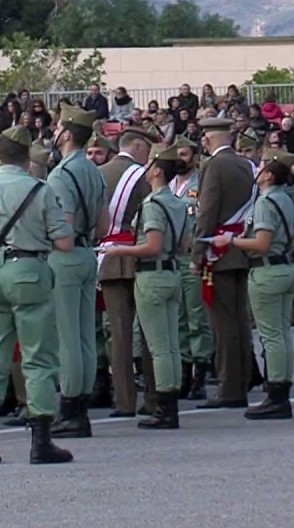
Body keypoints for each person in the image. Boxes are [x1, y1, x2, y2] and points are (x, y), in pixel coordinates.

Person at [0, 126, 75, 466]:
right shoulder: (40, 189)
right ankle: (41, 439)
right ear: (28, 158)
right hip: (28, 270)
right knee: (37, 355)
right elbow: (64, 242)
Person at [104, 143, 189, 429]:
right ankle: (171, 401)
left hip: (152, 275)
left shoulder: (153, 204)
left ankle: (164, 407)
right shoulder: (179, 201)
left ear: (155, 169)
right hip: (173, 271)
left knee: (159, 345)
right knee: (172, 344)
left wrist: (119, 251)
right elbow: (184, 244)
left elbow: (151, 246)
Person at [214, 147, 294, 419]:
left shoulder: (264, 202)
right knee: (282, 334)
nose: (257, 171)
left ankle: (276, 394)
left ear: (269, 175)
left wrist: (231, 241)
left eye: (261, 167)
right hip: (285, 266)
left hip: (267, 270)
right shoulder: (285, 199)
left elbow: (261, 243)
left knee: (271, 336)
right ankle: (281, 389)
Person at [46, 105, 107, 438]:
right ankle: (80, 405)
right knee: (84, 335)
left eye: (58, 127)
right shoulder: (94, 171)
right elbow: (104, 223)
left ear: (67, 133)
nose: (54, 131)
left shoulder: (60, 175)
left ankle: (70, 409)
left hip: (66, 256)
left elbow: (63, 231)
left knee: (67, 336)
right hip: (88, 252)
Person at [195, 117, 257, 409]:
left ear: (208, 140)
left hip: (218, 252)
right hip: (239, 249)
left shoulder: (212, 166)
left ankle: (229, 387)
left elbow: (207, 211)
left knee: (222, 324)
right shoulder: (246, 165)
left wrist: (198, 252)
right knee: (239, 321)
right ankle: (243, 377)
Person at [97, 124, 159, 417]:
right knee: (149, 330)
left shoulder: (99, 173)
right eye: (146, 148)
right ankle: (154, 397)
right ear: (136, 146)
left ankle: (123, 400)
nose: (149, 154)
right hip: (140, 255)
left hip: (107, 257)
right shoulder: (144, 176)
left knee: (118, 334)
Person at [169, 136, 213, 401]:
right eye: (177, 154)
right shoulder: (170, 184)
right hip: (172, 256)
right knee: (179, 319)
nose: (179, 159)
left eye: (184, 154)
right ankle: (184, 371)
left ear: (195, 157)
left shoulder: (201, 184)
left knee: (197, 316)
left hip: (192, 256)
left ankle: (200, 374)